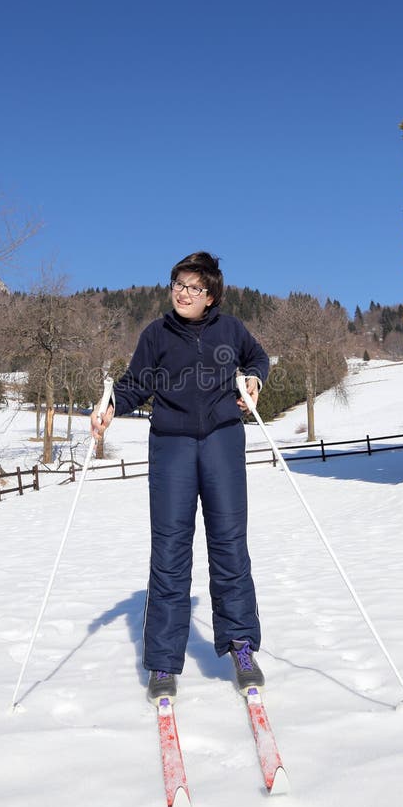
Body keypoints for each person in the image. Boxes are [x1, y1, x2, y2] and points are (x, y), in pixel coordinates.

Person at [91, 251, 269, 703]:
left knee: (229, 541)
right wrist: (110, 407)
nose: (183, 293)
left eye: (194, 288)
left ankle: (241, 646)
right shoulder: (157, 333)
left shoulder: (230, 330)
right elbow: (134, 383)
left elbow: (257, 359)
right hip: (171, 444)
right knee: (170, 548)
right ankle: (163, 663)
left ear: (211, 297)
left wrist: (253, 381)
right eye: (178, 285)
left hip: (223, 440)